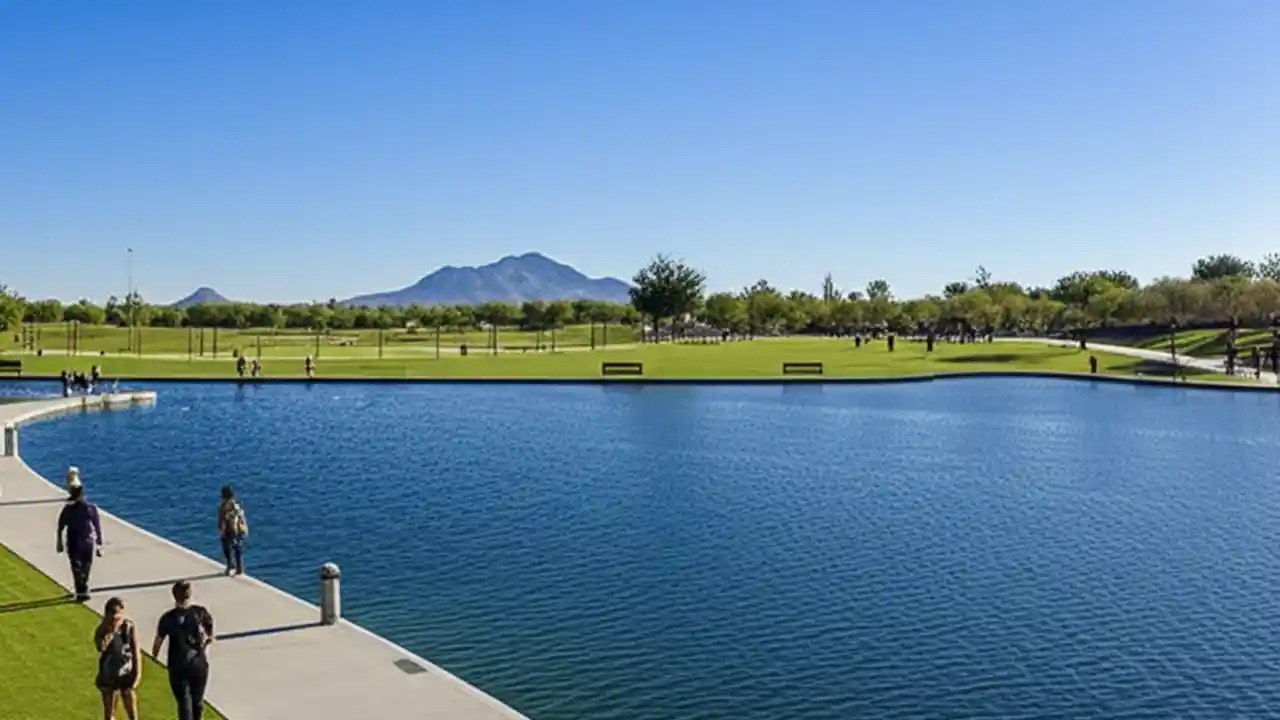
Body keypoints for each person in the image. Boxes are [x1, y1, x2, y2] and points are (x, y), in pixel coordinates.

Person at [153, 580, 214, 720]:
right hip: (199, 664)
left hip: (178, 665)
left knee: (185, 703)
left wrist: (155, 657)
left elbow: (158, 641)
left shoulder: (168, 617)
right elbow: (210, 633)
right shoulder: (200, 613)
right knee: (197, 702)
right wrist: (205, 644)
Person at [96, 597, 142, 720]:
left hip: (126, 671)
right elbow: (100, 646)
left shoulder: (128, 628)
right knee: (109, 711)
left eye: (117, 618)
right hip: (108, 673)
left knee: (130, 704)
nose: (115, 622)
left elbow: (135, 651)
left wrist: (136, 674)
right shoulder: (103, 630)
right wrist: (108, 635)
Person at [57, 482, 103, 602]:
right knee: (77, 567)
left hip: (86, 541)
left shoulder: (90, 509)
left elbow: (97, 526)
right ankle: (82, 590)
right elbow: (60, 526)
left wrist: (99, 543)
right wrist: (59, 542)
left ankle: (82, 589)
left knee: (85, 566)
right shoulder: (70, 510)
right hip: (75, 540)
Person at [217, 485, 248, 576]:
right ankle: (239, 568)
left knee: (228, 549)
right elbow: (241, 517)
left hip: (229, 530)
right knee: (237, 548)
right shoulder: (236, 506)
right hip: (238, 531)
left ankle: (230, 567)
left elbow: (223, 520)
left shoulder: (224, 507)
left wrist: (222, 531)